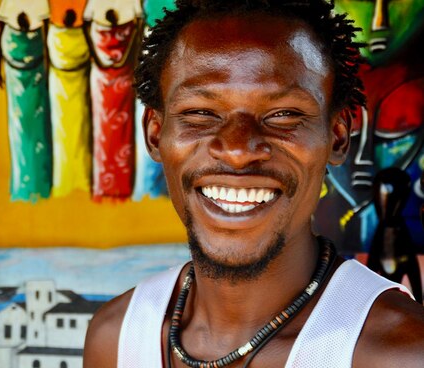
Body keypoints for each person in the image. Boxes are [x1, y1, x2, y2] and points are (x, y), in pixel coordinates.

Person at [83, 1, 424, 367]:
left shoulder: (400, 353)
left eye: (283, 115)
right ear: (155, 134)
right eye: (200, 113)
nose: (237, 150)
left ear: (337, 138)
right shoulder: (118, 338)